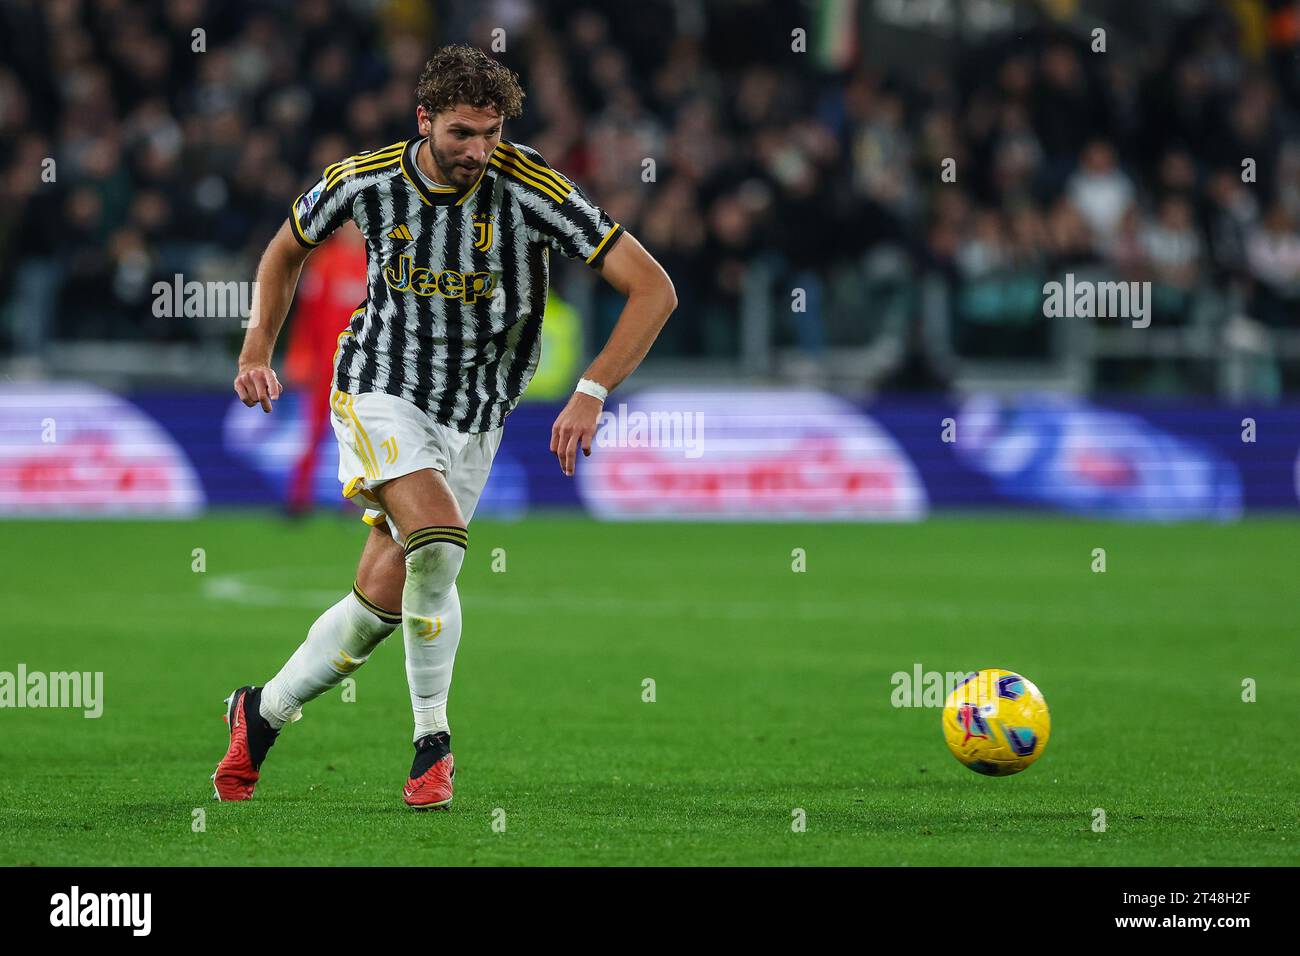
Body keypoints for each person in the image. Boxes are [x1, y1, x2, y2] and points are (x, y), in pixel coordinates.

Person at [212, 44, 676, 809]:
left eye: (492, 133)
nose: (478, 151)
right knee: (438, 541)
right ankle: (434, 745)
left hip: (477, 415)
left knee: (378, 605)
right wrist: (256, 345)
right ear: (423, 120)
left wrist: (592, 390)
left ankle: (258, 714)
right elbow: (284, 250)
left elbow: (653, 289)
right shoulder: (363, 180)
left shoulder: (532, 189)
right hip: (379, 385)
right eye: (462, 133)